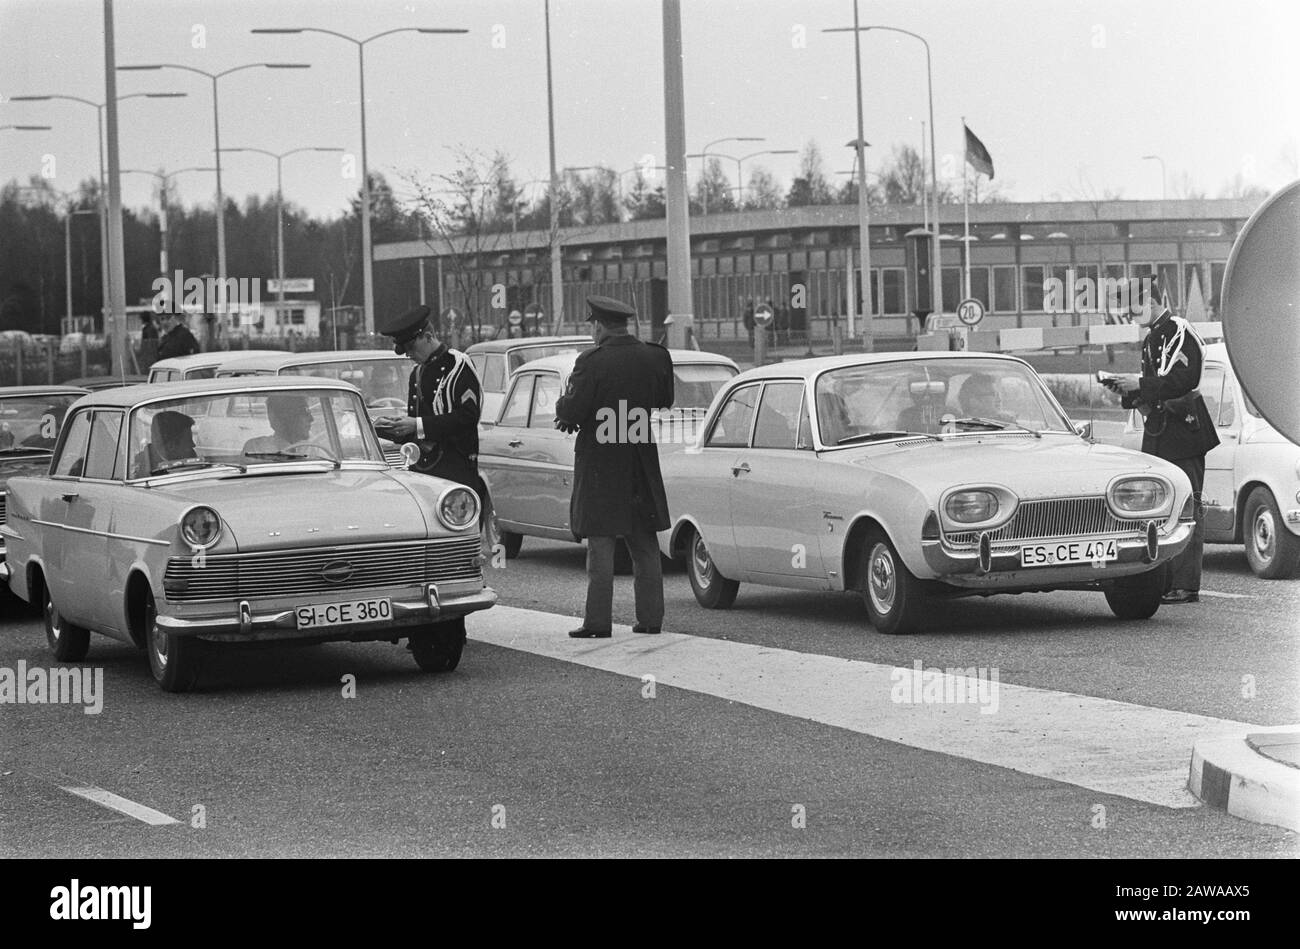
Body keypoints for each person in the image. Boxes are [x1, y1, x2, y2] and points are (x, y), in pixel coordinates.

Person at [554, 295, 674, 638]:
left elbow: (572, 410)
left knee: (601, 544)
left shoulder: (591, 361)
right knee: (644, 543)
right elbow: (664, 400)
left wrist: (568, 411)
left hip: (602, 465)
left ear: (598, 325)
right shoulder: (655, 355)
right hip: (639, 459)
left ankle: (597, 623)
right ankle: (651, 621)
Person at [1112, 281, 1219, 604]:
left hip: (1184, 430)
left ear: (1148, 301)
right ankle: (1166, 581)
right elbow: (1157, 384)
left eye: (1132, 308)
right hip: (1160, 430)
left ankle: (1186, 584)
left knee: (1188, 507)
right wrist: (1128, 392)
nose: (1130, 316)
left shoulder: (1178, 331)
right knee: (1159, 508)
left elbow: (1182, 380)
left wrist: (1141, 383)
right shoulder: (1153, 337)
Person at [373, 304, 483, 495]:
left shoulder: (457, 365)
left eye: (411, 347)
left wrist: (417, 424)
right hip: (424, 471)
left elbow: (468, 416)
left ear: (428, 337)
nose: (408, 354)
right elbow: (418, 431)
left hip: (455, 469)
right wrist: (389, 428)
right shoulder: (417, 373)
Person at [243, 394, 314, 454]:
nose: (311, 419)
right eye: (304, 413)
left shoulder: (314, 450)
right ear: (284, 417)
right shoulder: (257, 448)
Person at [135, 410, 198, 475]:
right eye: (188, 440)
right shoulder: (142, 469)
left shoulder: (190, 456)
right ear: (171, 446)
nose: (193, 445)